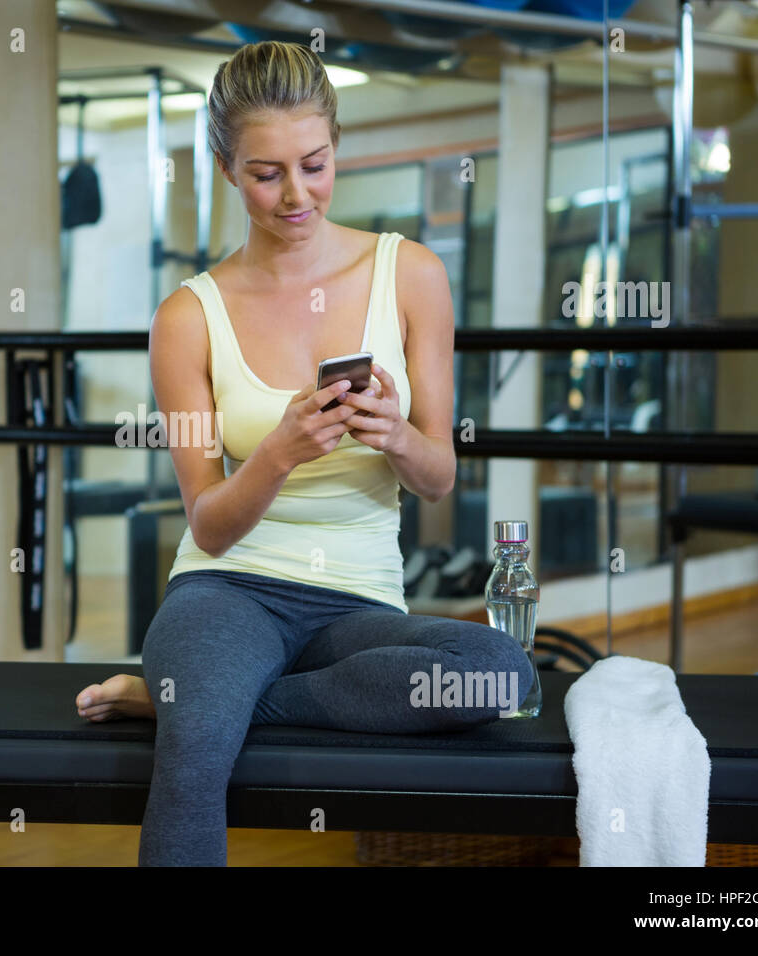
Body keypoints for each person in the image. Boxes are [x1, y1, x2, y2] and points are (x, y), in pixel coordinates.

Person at [72, 41, 534, 866]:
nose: (296, 195)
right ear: (224, 166)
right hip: (227, 592)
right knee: (196, 755)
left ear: (336, 147)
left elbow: (439, 480)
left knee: (499, 675)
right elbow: (210, 525)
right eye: (266, 173)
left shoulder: (411, 273)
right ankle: (206, 700)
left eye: (314, 165)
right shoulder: (186, 317)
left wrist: (395, 435)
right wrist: (279, 451)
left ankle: (199, 699)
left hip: (355, 603)